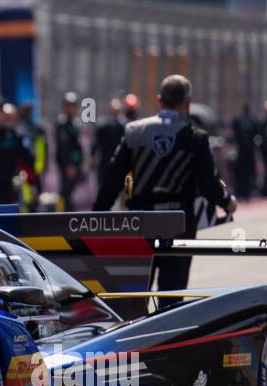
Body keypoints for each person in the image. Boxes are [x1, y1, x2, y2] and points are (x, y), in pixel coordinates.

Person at [95, 75, 235, 293]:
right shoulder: (195, 136)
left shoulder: (134, 131)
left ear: (159, 100)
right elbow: (209, 184)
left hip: (140, 224)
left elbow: (112, 180)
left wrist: (98, 216)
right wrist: (227, 202)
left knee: (136, 296)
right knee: (171, 297)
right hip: (179, 225)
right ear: (187, 103)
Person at [54, 92, 84, 211]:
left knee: (71, 193)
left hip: (74, 165)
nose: (71, 109)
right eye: (68, 106)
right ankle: (62, 217)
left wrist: (77, 163)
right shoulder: (62, 124)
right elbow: (63, 147)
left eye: (73, 106)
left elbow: (77, 148)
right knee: (65, 193)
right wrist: (69, 165)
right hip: (66, 166)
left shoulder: (75, 124)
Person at [16, 101, 47, 211]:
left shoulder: (37, 130)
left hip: (34, 170)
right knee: (25, 201)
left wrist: (39, 168)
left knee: (33, 200)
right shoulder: (17, 130)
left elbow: (42, 152)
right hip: (25, 171)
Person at [230, 100, 261, 201]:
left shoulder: (253, 120)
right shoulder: (239, 120)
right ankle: (240, 193)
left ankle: (246, 193)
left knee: (247, 173)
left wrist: (256, 145)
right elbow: (234, 133)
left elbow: (258, 136)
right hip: (241, 150)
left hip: (248, 150)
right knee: (240, 173)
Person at [91, 97, 125, 185]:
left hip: (117, 164)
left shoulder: (122, 127)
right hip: (107, 163)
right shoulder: (103, 127)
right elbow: (95, 144)